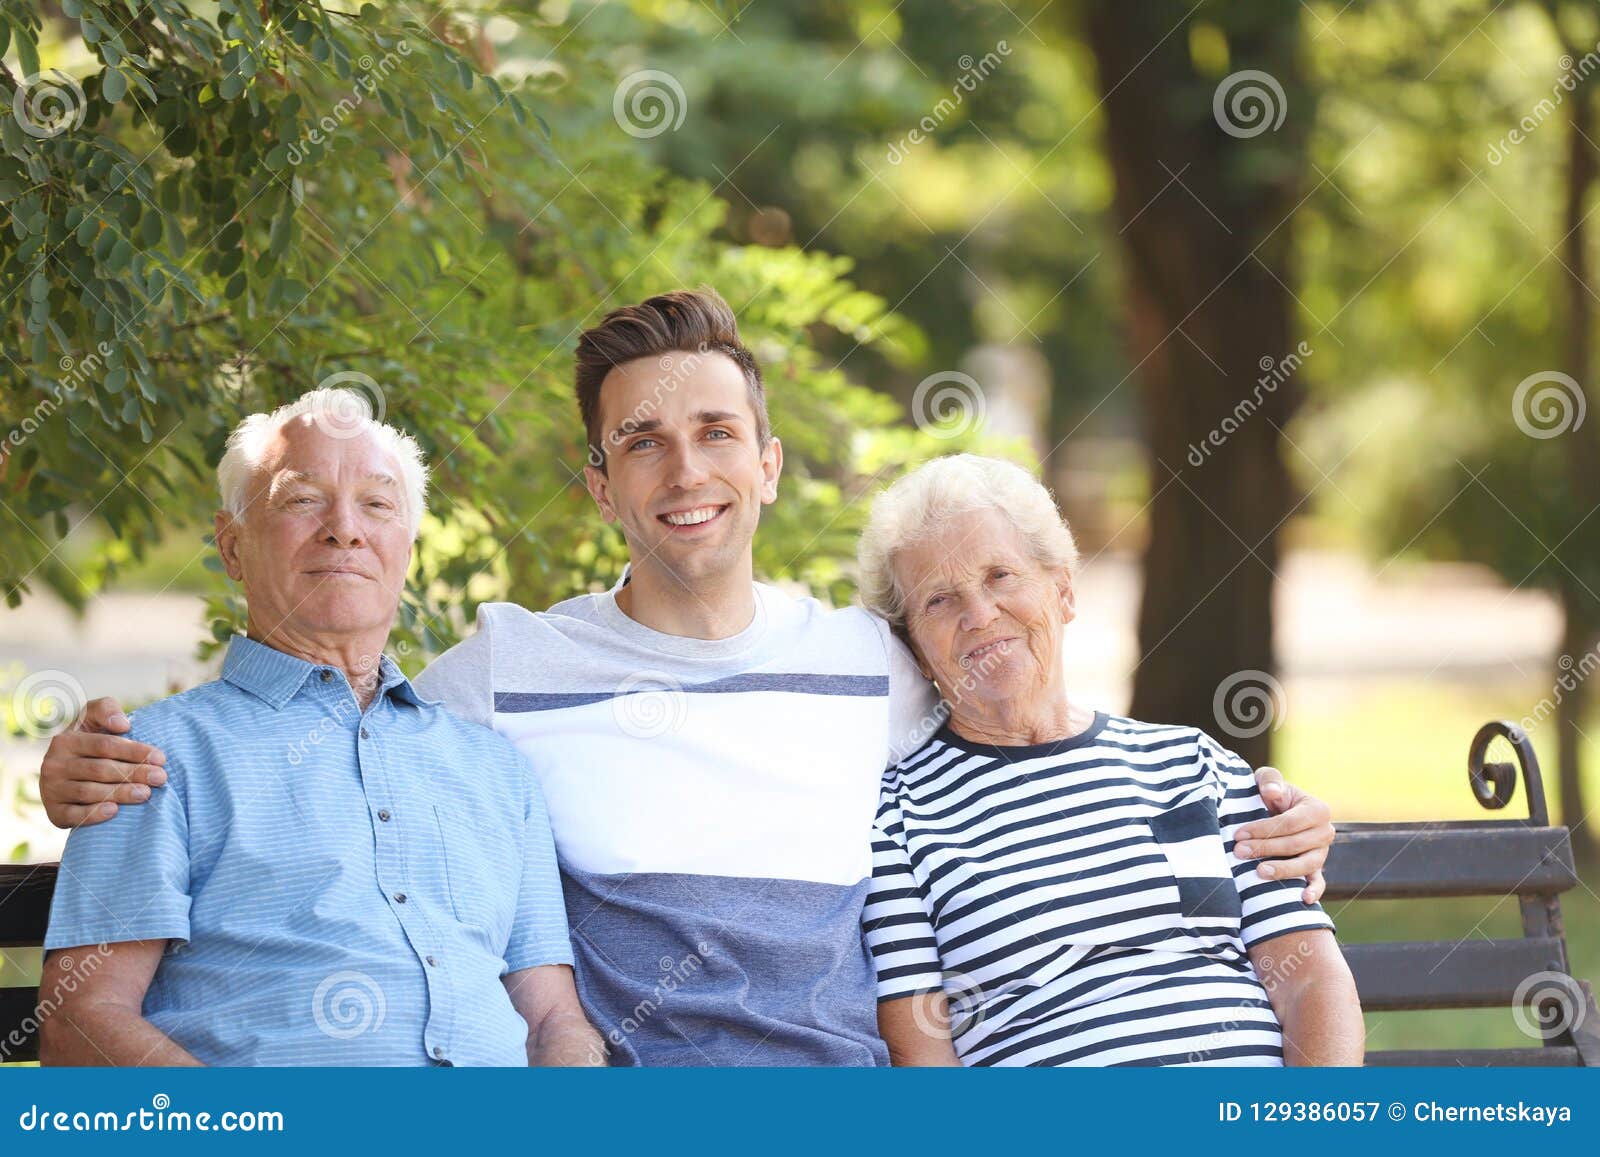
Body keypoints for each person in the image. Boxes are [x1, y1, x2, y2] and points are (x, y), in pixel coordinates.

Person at [36, 289, 1337, 1066]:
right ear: (601, 484)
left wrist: (1261, 820)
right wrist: (87, 766)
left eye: (717, 433)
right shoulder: (508, 670)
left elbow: (1045, 738)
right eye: (642, 442)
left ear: (769, 463)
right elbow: (328, 683)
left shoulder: (873, 663)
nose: (685, 469)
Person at [39, 390, 602, 1067]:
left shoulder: (494, 766)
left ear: (406, 548)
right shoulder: (150, 759)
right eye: (303, 499)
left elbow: (550, 1017)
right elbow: (82, 1021)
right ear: (232, 545)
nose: (345, 528)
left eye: (377, 503)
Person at [858, 454, 1363, 1066]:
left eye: (1001, 576)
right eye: (940, 599)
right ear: (913, 643)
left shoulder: (1196, 766)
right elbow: (924, 1062)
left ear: (1063, 590)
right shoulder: (897, 821)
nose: (980, 615)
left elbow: (1311, 982)